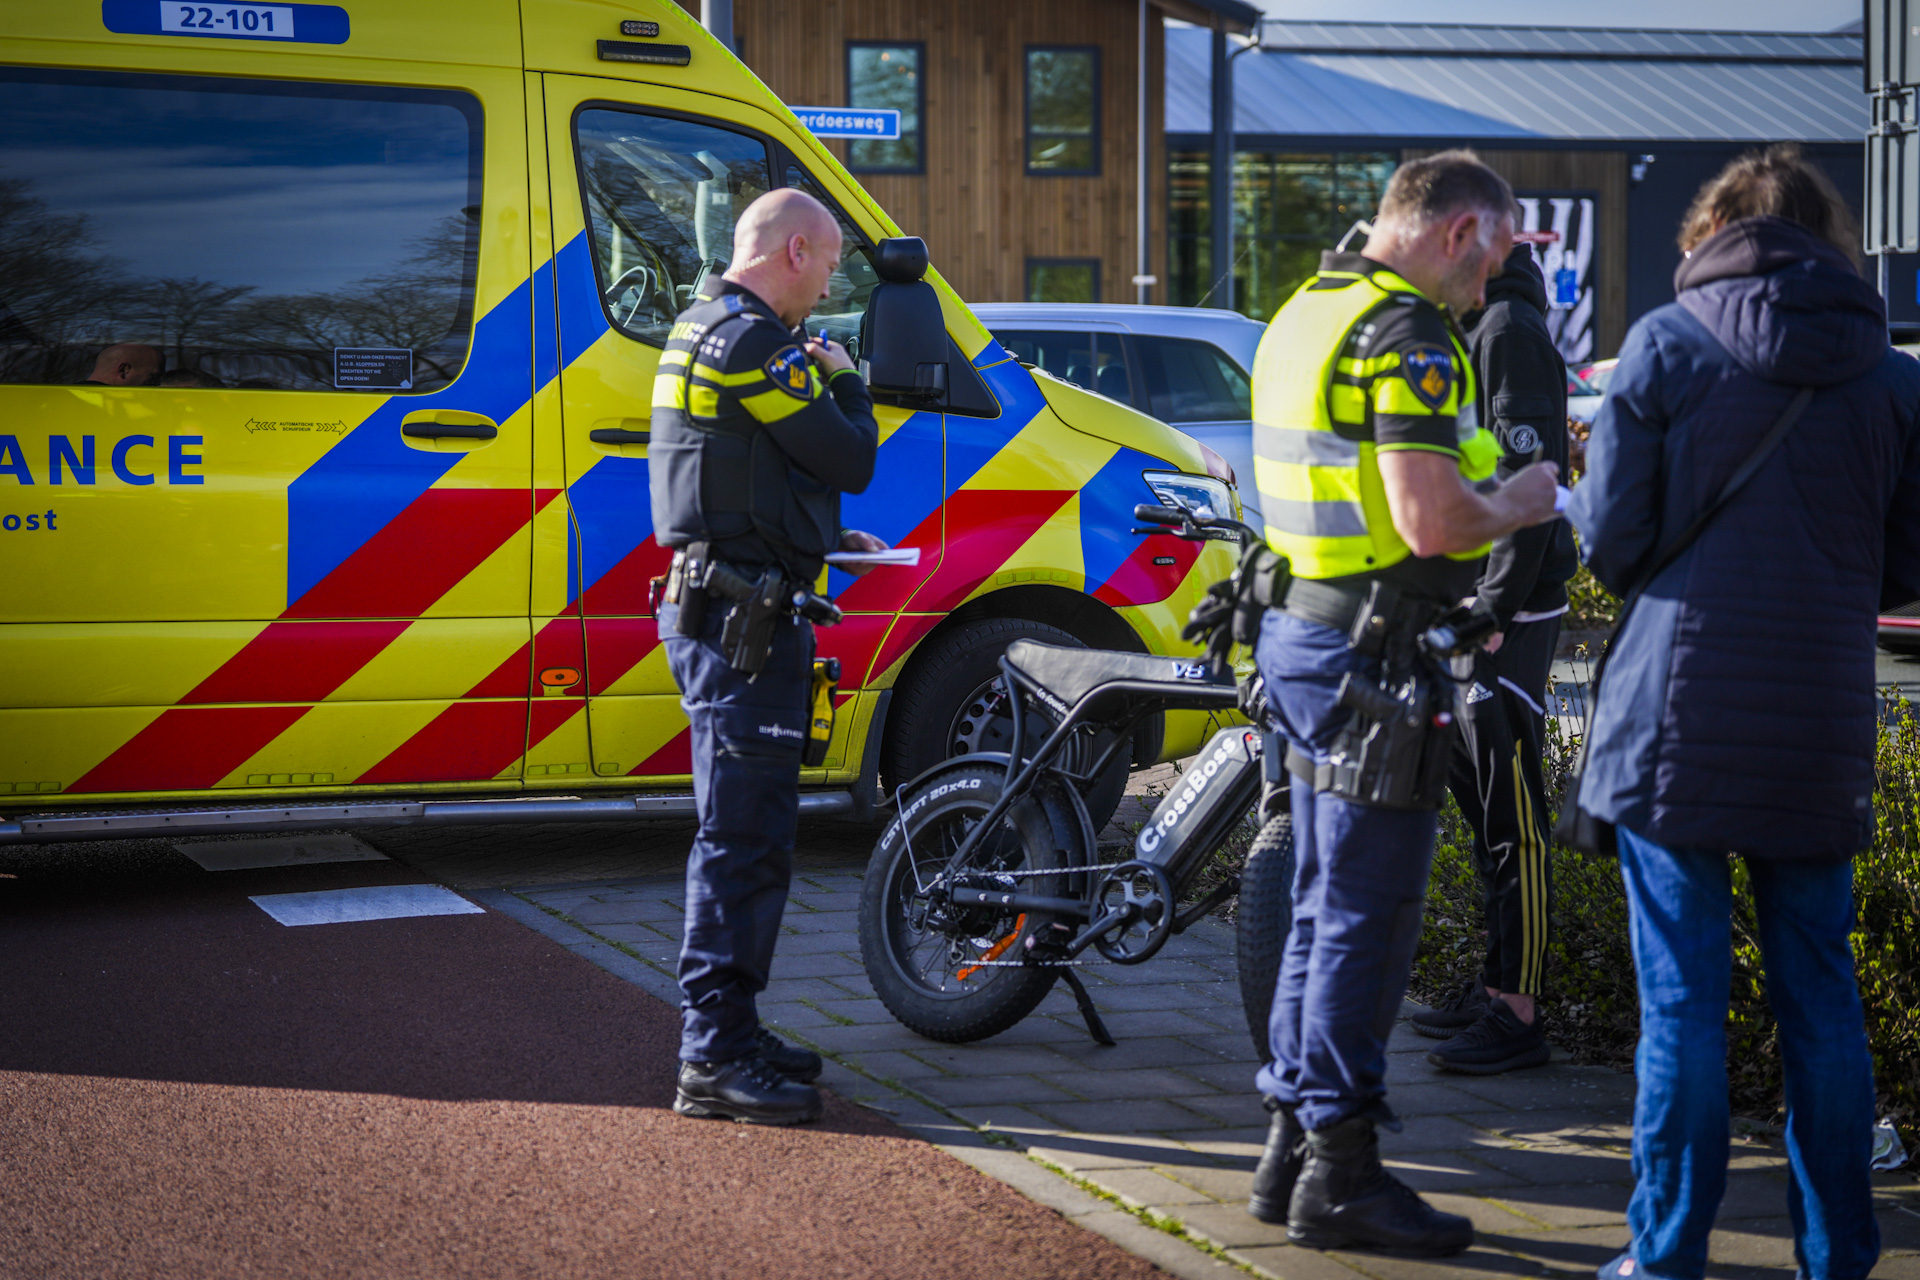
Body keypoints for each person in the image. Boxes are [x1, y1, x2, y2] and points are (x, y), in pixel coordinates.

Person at [1568, 145, 1920, 1280]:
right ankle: (1843, 1256)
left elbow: (1614, 543)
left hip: (1678, 719)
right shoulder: (1894, 375)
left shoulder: (1667, 346)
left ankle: (1665, 1254)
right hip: (1820, 716)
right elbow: (1902, 563)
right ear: (1830, 235)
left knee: (1683, 1001)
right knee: (1820, 994)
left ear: (1714, 229)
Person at [1242, 150, 1561, 1255]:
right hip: (1369, 658)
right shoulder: (1408, 336)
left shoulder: (1307, 312)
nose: (1499, 281)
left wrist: (1500, 473)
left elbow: (1445, 458)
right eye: (1504, 251)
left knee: (1324, 902)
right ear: (1464, 230)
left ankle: (1288, 1150)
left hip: (1304, 635)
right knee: (1366, 919)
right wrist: (1523, 501)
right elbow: (1432, 519)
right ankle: (1344, 1169)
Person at [650, 188, 886, 1127]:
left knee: (747, 837)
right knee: (744, 843)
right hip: (738, 622)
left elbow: (736, 467)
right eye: (829, 266)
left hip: (724, 599)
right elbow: (847, 453)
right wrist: (847, 375)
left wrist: (822, 536)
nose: (828, 288)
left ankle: (734, 1031)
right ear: (795, 249)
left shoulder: (701, 326)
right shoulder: (756, 341)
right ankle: (712, 1057)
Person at [1416, 240, 1578, 1074]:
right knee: (1483, 805)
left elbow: (1529, 478)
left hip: (1509, 611)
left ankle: (1519, 1013)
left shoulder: (1508, 327)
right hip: (1483, 602)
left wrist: (1493, 608)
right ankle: (1492, 986)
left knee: (1512, 813)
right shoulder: (1479, 324)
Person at [84, 343, 162, 386]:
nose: (158, 384)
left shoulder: (73, 398)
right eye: (154, 377)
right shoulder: (118, 407)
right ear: (124, 370)